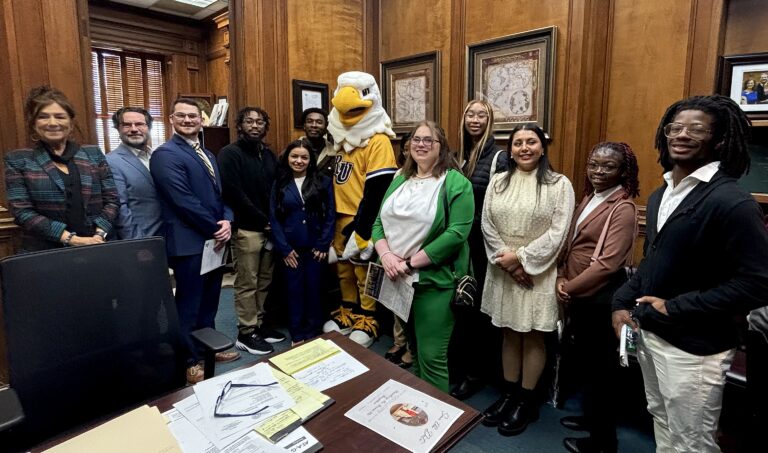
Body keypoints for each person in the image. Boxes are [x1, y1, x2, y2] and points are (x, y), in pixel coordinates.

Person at [611, 95, 768, 453]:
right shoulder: (660, 195)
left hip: (695, 349)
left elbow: (758, 283)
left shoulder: (732, 202)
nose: (682, 135)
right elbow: (652, 262)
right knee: (662, 421)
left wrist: (675, 307)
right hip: (650, 335)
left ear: (719, 139)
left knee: (692, 443)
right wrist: (620, 304)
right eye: (675, 128)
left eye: (696, 129)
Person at [480, 124, 575, 436]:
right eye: (518, 142)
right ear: (510, 149)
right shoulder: (497, 182)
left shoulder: (559, 184)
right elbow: (487, 224)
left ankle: (526, 401)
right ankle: (508, 395)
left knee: (533, 335)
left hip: (538, 274)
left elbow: (558, 233)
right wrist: (509, 262)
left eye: (531, 142)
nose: (524, 148)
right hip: (503, 271)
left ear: (543, 147)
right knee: (509, 332)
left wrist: (522, 260)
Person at [372, 121, 474, 392]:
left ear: (441, 147)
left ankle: (437, 424)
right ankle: (419, 408)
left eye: (429, 140)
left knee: (432, 358)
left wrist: (408, 263)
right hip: (400, 281)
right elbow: (378, 223)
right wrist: (386, 256)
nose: (421, 144)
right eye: (416, 139)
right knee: (414, 352)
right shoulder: (399, 179)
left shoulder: (456, 182)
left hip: (435, 282)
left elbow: (456, 235)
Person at [556, 142, 640, 453]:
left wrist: (568, 286)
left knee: (603, 373)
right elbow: (572, 244)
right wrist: (563, 277)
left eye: (608, 166)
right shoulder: (590, 197)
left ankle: (603, 443)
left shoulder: (624, 207)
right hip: (580, 294)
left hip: (601, 300)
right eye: (594, 164)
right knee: (588, 366)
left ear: (623, 171)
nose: (599, 171)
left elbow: (609, 263)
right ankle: (591, 419)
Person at [151, 98, 240, 385]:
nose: (188, 120)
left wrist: (227, 219)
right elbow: (182, 201)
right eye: (182, 116)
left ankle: (207, 347)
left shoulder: (207, 154)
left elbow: (220, 196)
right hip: (190, 243)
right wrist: (215, 227)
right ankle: (189, 360)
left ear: (201, 120)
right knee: (189, 304)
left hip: (213, 240)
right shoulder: (165, 154)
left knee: (210, 300)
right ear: (171, 119)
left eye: (193, 116)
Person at [4, 86, 118, 252]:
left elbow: (112, 200)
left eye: (60, 117)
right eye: (43, 117)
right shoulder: (18, 159)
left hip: (96, 246)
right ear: (33, 124)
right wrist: (72, 239)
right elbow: (22, 212)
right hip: (44, 252)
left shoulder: (93, 154)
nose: (52, 123)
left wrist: (99, 234)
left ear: (71, 123)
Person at [450, 99, 508, 400]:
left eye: (481, 115)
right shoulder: (457, 155)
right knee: (459, 307)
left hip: (482, 244)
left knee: (476, 311)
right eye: (470, 114)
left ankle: (476, 374)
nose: (475, 119)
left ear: (490, 121)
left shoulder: (499, 157)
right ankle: (459, 368)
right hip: (457, 243)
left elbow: (502, 206)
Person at [217, 107, 286, 356]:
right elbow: (234, 193)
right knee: (247, 282)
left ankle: (259, 325)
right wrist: (263, 220)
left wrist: (274, 222)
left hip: (269, 230)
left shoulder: (267, 154)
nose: (254, 126)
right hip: (247, 230)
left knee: (265, 280)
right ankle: (245, 332)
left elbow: (276, 188)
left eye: (259, 122)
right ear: (240, 125)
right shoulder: (229, 154)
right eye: (249, 121)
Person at [269, 139, 335, 345]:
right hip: (291, 250)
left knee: (315, 290)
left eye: (304, 157)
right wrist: (284, 249)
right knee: (294, 292)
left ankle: (313, 332)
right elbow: (274, 218)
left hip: (316, 248)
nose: (299, 161)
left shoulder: (323, 181)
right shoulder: (279, 183)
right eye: (294, 156)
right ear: (287, 158)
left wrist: (324, 243)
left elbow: (330, 214)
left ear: (310, 159)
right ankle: (297, 334)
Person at [105, 106, 163, 239]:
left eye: (139, 124)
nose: (134, 129)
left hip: (169, 237)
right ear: (118, 129)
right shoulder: (111, 161)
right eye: (126, 125)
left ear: (148, 127)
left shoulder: (158, 156)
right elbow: (120, 208)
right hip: (141, 238)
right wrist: (137, 244)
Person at [385, 132, 414, 369]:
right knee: (397, 301)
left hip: (416, 250)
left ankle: (412, 348)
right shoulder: (398, 175)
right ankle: (399, 341)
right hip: (395, 248)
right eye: (406, 148)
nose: (410, 152)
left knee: (413, 303)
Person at [300, 107, 337, 178]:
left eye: (319, 122)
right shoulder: (291, 151)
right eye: (310, 121)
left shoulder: (335, 153)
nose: (314, 125)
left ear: (326, 127)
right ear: (304, 126)